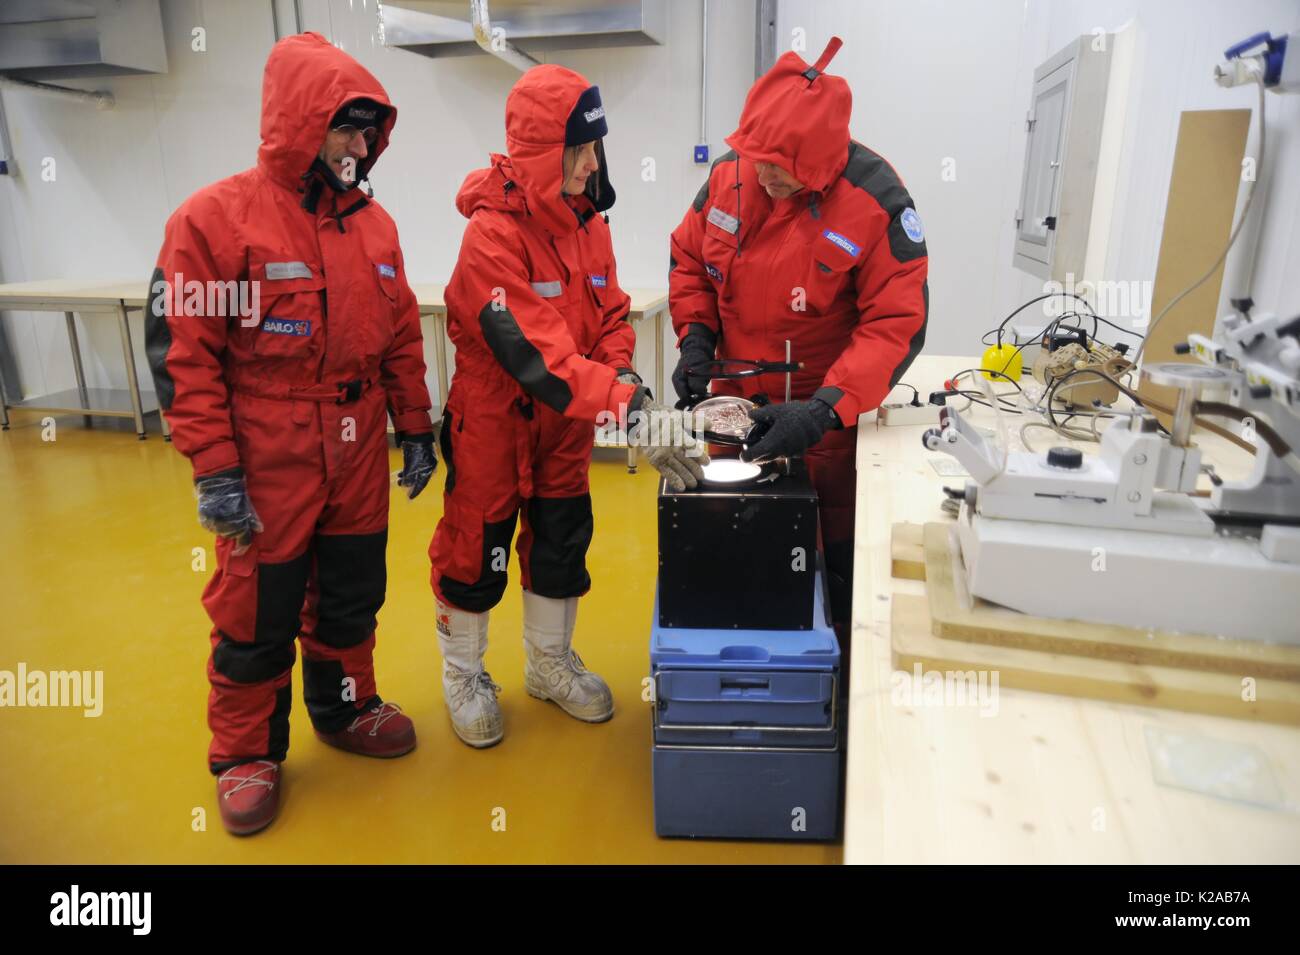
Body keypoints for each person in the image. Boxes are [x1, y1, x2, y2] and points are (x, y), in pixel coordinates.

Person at [145, 32, 436, 835]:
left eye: (369, 131)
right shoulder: (212, 219)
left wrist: (415, 425)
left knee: (350, 594)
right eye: (346, 127)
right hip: (265, 447)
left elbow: (402, 332)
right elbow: (183, 350)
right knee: (255, 609)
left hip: (355, 445)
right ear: (301, 124)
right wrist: (214, 467)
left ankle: (345, 710)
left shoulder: (375, 229)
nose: (360, 145)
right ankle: (246, 753)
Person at [429, 64, 704, 747]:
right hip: (494, 423)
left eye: (596, 146)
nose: (591, 162)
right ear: (537, 152)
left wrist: (621, 381)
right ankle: (463, 672)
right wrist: (633, 410)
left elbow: (611, 318)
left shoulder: (588, 226)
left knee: (560, 539)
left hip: (563, 427)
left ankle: (548, 664)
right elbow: (538, 352)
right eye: (577, 148)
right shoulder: (491, 237)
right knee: (476, 550)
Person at [668, 36, 929, 649]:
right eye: (755, 157)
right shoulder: (731, 179)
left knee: (832, 552)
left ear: (819, 161)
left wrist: (824, 410)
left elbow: (895, 323)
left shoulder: (875, 202)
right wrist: (696, 336)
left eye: (779, 167)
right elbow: (687, 260)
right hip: (734, 415)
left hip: (824, 418)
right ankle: (735, 658)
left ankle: (832, 678)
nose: (762, 174)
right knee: (730, 541)